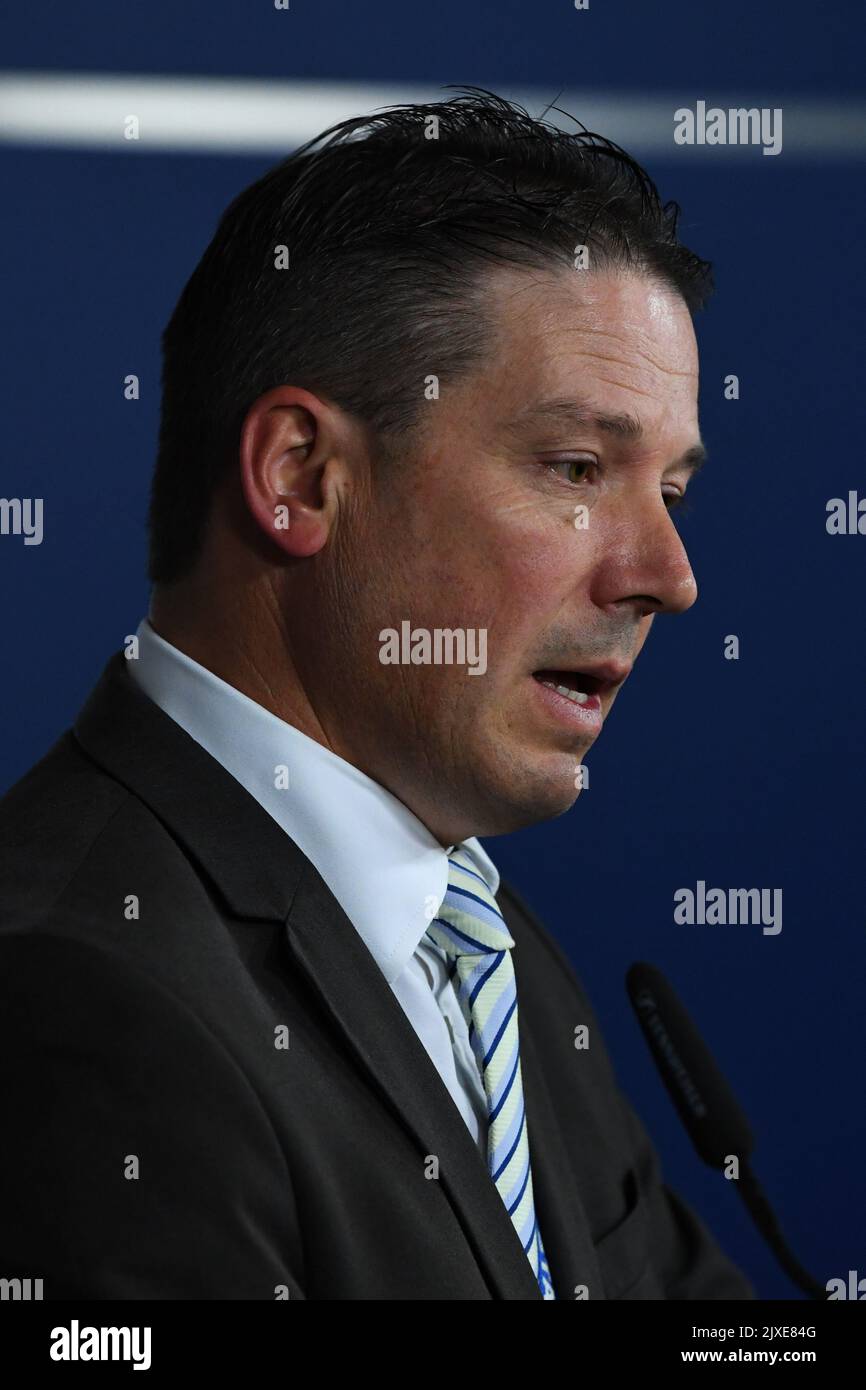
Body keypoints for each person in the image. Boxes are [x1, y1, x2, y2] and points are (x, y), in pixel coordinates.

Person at [0, 88, 753, 1300]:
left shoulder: (479, 943)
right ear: (302, 476)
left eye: (669, 489)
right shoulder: (76, 998)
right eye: (575, 469)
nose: (667, 577)